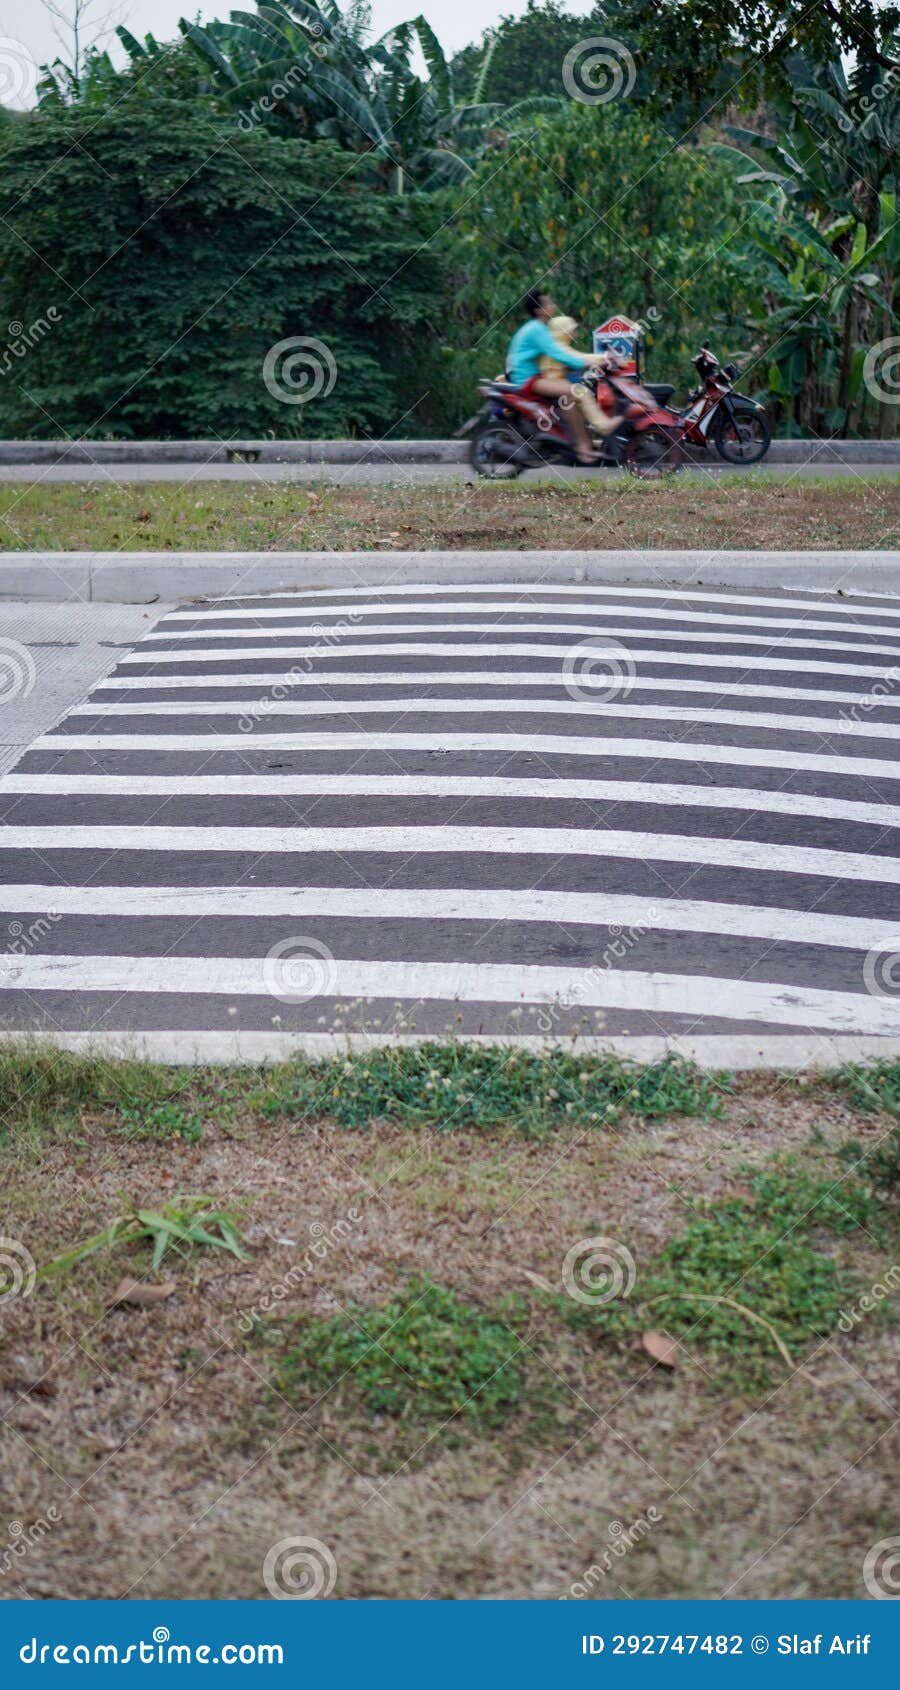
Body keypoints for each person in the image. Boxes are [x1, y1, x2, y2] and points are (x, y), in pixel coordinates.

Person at [506, 288, 609, 464]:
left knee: (571, 397)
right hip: (526, 378)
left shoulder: (537, 328)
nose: (553, 307)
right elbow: (558, 354)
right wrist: (586, 363)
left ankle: (582, 445)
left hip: (528, 375)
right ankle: (584, 446)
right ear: (539, 310)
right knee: (574, 391)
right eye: (549, 304)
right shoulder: (537, 329)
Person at [540, 315, 619, 438]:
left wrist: (600, 361)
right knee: (582, 393)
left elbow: (577, 359)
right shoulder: (558, 347)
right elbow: (577, 358)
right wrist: (604, 357)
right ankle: (603, 427)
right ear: (564, 332)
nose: (575, 332)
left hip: (558, 380)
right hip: (554, 382)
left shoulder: (557, 345)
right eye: (572, 330)